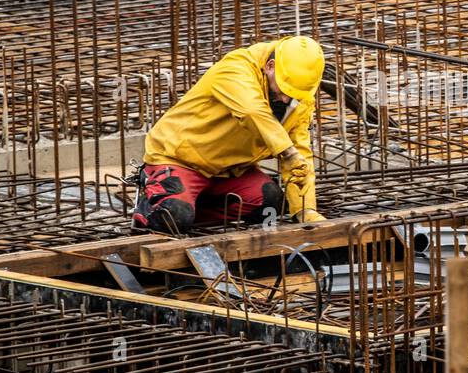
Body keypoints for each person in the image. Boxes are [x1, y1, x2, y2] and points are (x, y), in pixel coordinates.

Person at [132, 35, 326, 233]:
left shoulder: (300, 98)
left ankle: (188, 205)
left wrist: (305, 209)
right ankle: (159, 205)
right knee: (172, 216)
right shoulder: (235, 68)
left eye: (293, 94)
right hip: (180, 160)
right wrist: (288, 153)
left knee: (270, 201)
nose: (286, 99)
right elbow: (251, 111)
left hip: (228, 171)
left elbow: (301, 152)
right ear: (270, 66)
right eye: (284, 89)